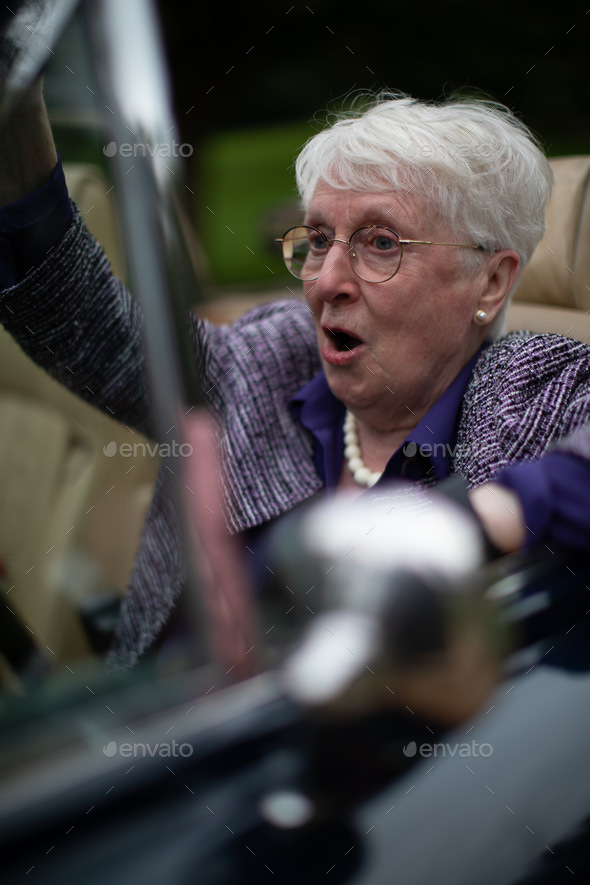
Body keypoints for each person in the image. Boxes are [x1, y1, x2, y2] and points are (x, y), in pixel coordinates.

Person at [1, 83, 590, 669]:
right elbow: (89, 328)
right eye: (318, 240)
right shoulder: (270, 359)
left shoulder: (531, 390)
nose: (325, 280)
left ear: (489, 282)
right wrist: (16, 104)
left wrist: (483, 515)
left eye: (380, 243)